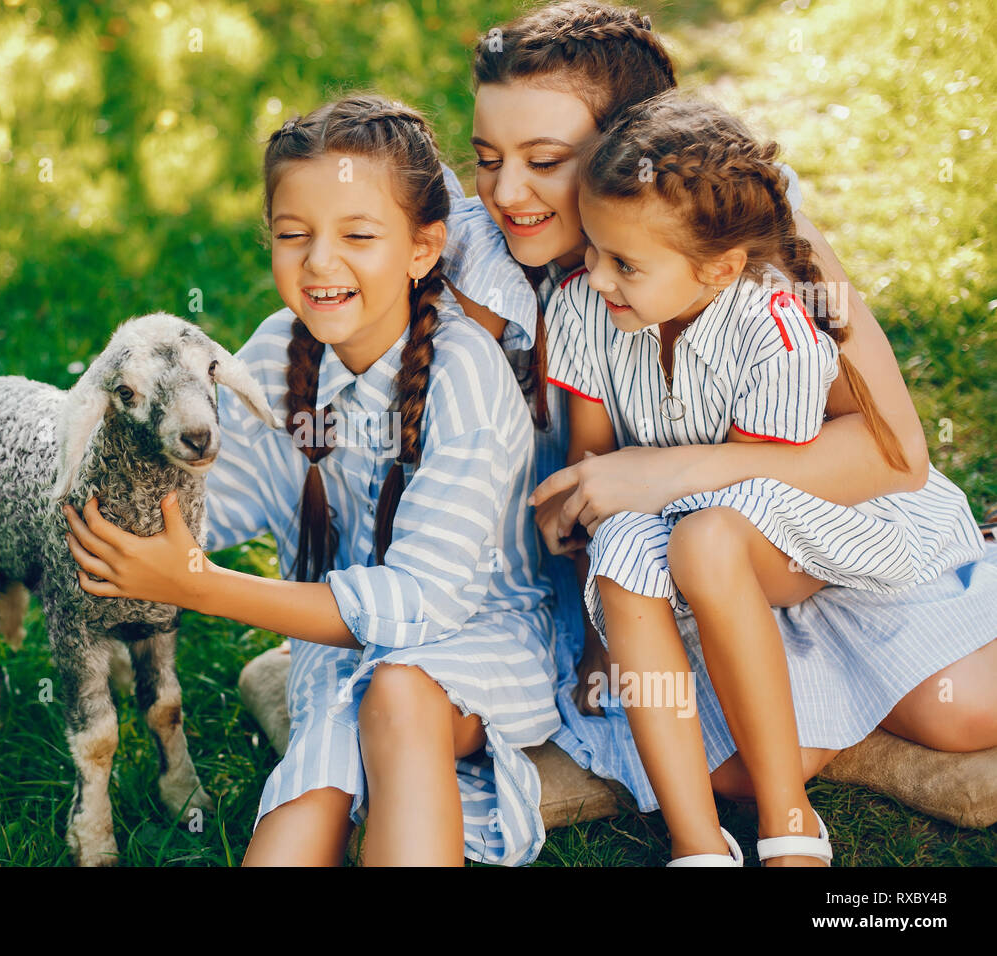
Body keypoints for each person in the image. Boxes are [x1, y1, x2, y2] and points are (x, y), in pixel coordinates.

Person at [439, 1, 997, 819]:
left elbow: (894, 454)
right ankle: (813, 734)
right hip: (649, 578)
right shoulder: (489, 268)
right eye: (487, 157)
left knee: (962, 711)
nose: (507, 191)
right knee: (718, 761)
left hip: (813, 535)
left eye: (546, 160)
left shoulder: (762, 247)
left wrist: (668, 470)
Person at [62, 94, 560, 866]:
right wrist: (86, 490)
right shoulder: (275, 351)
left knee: (399, 692)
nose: (320, 261)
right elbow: (209, 497)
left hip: (477, 640)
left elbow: (421, 603)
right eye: (294, 235)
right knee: (292, 832)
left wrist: (199, 584)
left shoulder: (463, 376)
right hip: (338, 648)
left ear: (424, 247)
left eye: (358, 235)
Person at [539, 92, 987, 865]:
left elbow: (752, 495)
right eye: (594, 251)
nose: (598, 276)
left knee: (965, 717)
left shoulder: (771, 321)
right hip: (689, 540)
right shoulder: (585, 307)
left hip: (795, 530)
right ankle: (698, 841)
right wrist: (581, 505)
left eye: (626, 264)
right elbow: (592, 452)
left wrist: (642, 483)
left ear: (718, 269)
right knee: (628, 564)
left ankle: (791, 819)